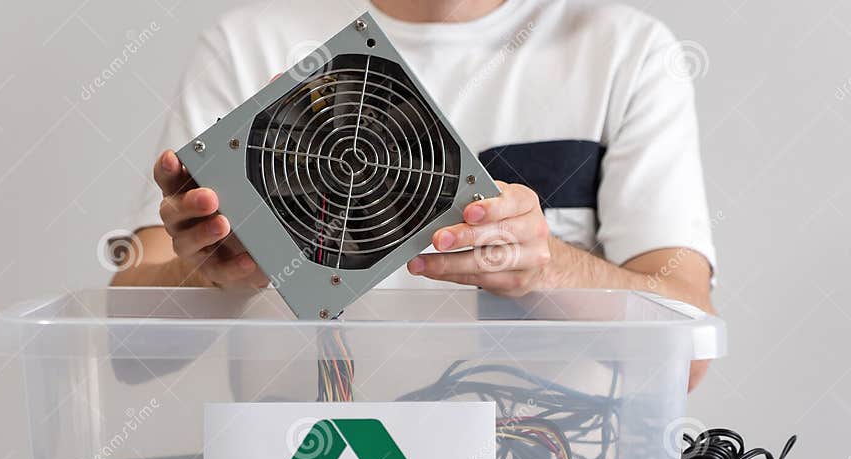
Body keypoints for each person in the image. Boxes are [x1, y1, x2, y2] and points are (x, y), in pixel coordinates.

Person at [111, 0, 717, 389]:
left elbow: (686, 352)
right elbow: (125, 347)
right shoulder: (251, 43)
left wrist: (546, 269)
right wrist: (213, 279)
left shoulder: (626, 51)